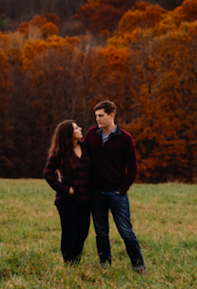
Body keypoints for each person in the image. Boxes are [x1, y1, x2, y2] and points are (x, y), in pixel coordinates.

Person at [85, 100, 146, 273]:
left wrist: (121, 190)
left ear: (111, 115)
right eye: (96, 116)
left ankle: (138, 265)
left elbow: (133, 167)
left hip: (116, 194)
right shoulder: (91, 134)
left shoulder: (125, 139)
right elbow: (81, 157)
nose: (97, 119)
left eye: (101, 116)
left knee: (126, 231)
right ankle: (105, 265)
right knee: (101, 233)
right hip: (95, 193)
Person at [43, 119, 91, 264]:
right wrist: (65, 189)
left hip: (85, 198)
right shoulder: (59, 153)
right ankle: (69, 263)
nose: (80, 129)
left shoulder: (86, 148)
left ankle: (76, 260)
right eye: (76, 128)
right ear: (69, 133)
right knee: (70, 232)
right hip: (67, 200)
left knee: (83, 232)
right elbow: (47, 173)